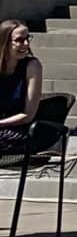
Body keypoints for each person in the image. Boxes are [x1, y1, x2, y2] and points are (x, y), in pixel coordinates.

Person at [0, 23, 43, 160]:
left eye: (27, 38)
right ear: (4, 42)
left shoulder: (32, 66)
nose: (25, 44)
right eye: (19, 40)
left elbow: (28, 115)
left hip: (19, 130)